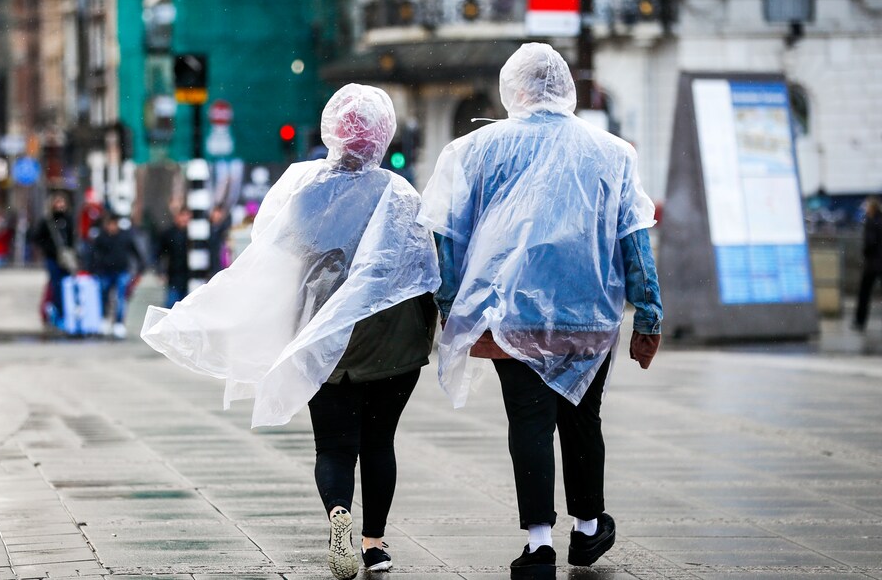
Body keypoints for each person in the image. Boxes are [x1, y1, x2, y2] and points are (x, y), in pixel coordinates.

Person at [141, 84, 439, 579]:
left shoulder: (306, 191)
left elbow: (278, 258)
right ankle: (375, 544)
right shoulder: (400, 194)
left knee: (335, 446)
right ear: (383, 136)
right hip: (391, 344)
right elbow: (423, 269)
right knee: (379, 441)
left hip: (323, 338)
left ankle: (338, 512)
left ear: (333, 133)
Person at [419, 43, 663, 576]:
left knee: (528, 424)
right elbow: (634, 241)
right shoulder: (614, 153)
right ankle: (589, 527)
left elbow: (448, 237)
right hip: (590, 317)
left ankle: (539, 541)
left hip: (512, 316)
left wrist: (452, 307)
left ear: (514, 88)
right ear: (567, 87)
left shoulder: (476, 150)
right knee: (583, 419)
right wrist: (648, 315)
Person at [89, 215, 146, 338]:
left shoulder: (125, 237)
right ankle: (104, 320)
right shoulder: (102, 238)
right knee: (104, 297)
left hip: (121, 271)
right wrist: (93, 269)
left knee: (121, 299)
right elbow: (93, 254)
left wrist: (141, 266)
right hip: (105, 272)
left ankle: (119, 323)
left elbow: (135, 252)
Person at [853, 197, 882, 334]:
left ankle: (860, 321)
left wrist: (866, 253)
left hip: (873, 263)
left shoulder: (871, 221)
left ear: (872, 207)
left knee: (865, 293)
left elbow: (870, 242)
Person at [33, 194, 77, 323]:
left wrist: (70, 252)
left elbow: (72, 238)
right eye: (57, 203)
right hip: (52, 258)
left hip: (66, 259)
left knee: (66, 285)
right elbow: (37, 238)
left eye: (62, 203)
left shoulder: (68, 220)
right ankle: (58, 312)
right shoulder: (47, 221)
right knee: (56, 285)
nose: (60, 206)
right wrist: (49, 249)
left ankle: (65, 311)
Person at [155, 209, 191, 308]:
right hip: (174, 275)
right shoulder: (169, 234)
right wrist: (160, 271)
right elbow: (159, 253)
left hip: (190, 277)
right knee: (171, 305)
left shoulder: (194, 233)